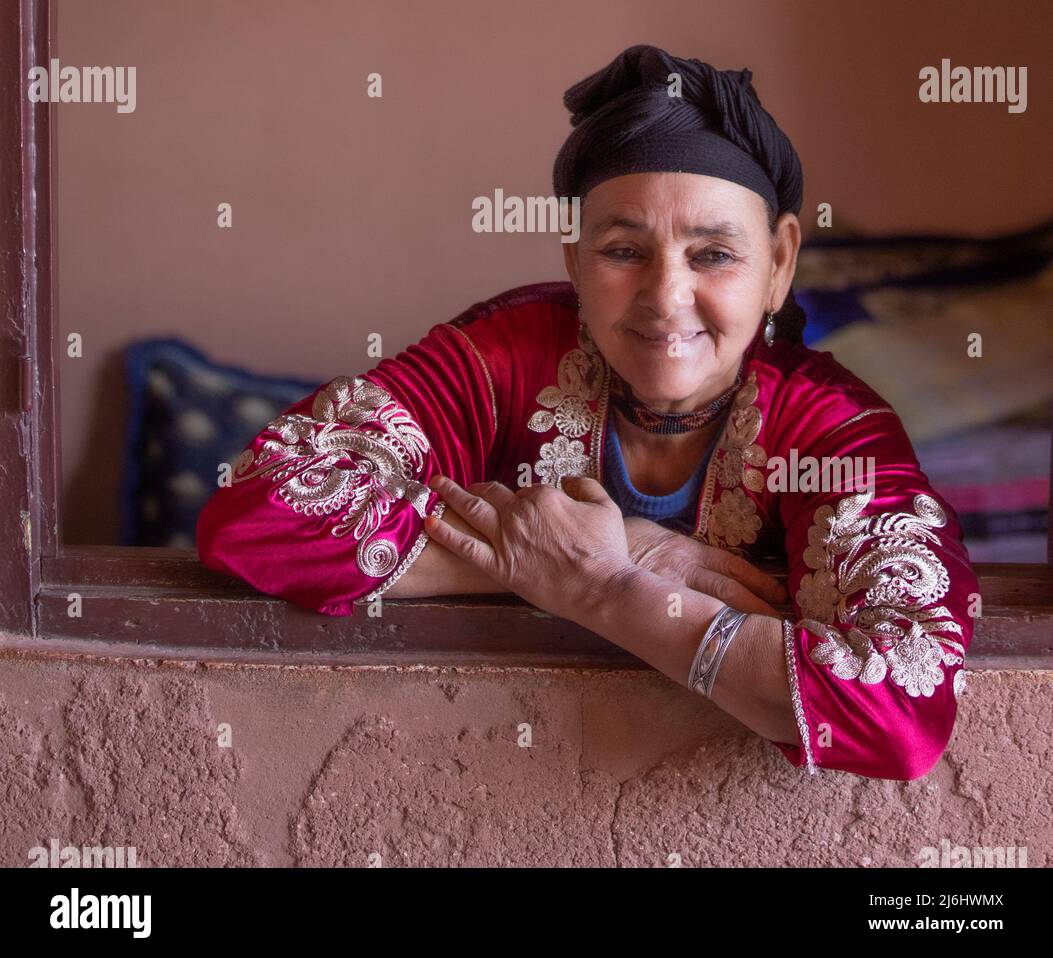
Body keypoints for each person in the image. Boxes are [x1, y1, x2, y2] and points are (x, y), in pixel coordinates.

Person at [195, 45, 980, 782]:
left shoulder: (829, 427)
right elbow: (257, 513)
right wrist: (601, 554)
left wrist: (599, 586)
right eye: (622, 251)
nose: (665, 297)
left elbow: (896, 713)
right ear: (573, 259)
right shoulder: (502, 357)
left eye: (712, 254)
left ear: (778, 262)